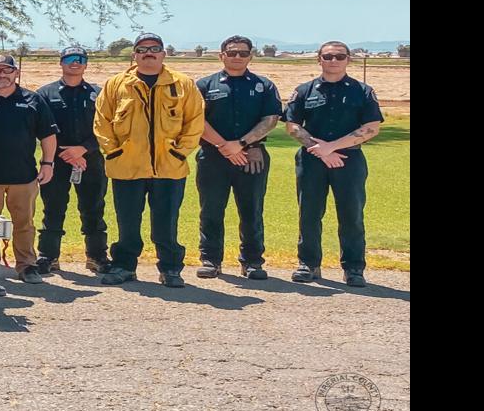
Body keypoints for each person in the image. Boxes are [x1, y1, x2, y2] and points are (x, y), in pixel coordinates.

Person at [91, 31, 204, 288]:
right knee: (128, 222)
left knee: (166, 223)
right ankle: (124, 266)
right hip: (127, 166)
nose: (148, 53)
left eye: (154, 48)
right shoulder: (117, 84)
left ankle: (170, 268)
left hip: (169, 167)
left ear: (164, 54)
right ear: (135, 55)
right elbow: (102, 122)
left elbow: (194, 122)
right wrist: (114, 152)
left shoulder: (183, 84)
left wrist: (179, 152)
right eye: (142, 49)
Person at [283, 40, 384, 287]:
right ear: (319, 60)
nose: (333, 61)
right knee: (309, 213)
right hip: (311, 159)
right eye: (328, 57)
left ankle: (353, 268)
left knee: (351, 214)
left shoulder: (362, 91)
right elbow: (292, 125)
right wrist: (320, 150)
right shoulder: (305, 90)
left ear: (348, 59)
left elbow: (371, 127)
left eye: (339, 56)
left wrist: (332, 147)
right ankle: (308, 264)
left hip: (349, 160)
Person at [193, 35, 281, 281]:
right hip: (212, 156)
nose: (237, 57)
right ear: (222, 56)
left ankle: (252, 262)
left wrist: (242, 144)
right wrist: (224, 146)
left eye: (243, 53)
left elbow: (271, 119)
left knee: (252, 210)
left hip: (252, 156)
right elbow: (197, 120)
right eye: (232, 53)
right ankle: (210, 260)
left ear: (250, 56)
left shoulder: (264, 86)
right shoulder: (204, 85)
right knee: (211, 210)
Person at [0, 54, 57, 283]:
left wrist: (48, 163)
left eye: (6, 70)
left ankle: (27, 266)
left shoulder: (33, 100)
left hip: (24, 176)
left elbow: (48, 135)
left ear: (16, 72)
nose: (2, 75)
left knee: (24, 224)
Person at [35, 45, 109, 274]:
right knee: (53, 210)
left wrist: (83, 150)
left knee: (93, 209)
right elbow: (42, 128)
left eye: (80, 59)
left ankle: (97, 257)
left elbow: (107, 128)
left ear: (86, 64)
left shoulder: (99, 93)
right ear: (61, 63)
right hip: (56, 162)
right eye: (69, 58)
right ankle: (48, 257)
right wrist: (65, 153)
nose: (74, 63)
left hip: (91, 161)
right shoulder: (45, 94)